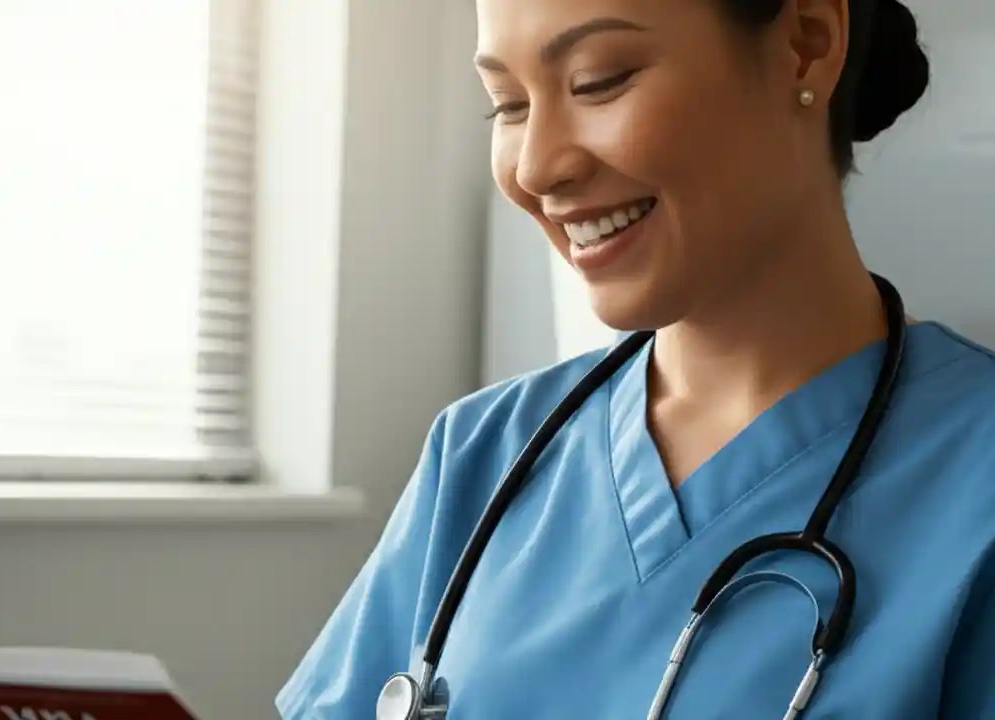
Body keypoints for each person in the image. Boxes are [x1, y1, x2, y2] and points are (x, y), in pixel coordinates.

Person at [277, 0, 995, 717]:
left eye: (599, 80)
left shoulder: (974, 475)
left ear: (806, 45)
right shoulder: (483, 451)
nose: (538, 168)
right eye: (509, 105)